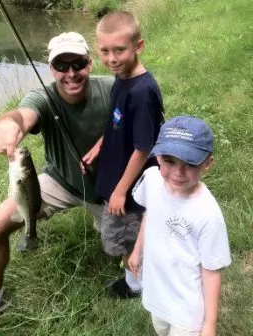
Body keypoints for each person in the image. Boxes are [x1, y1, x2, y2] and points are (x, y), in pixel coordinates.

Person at [0, 32, 114, 336]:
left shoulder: (113, 89)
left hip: (109, 190)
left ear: (90, 62)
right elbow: (21, 115)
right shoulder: (43, 97)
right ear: (51, 69)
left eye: (78, 63)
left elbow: (143, 124)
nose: (71, 73)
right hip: (57, 183)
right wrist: (6, 127)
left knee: (130, 254)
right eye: (62, 65)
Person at [83, 11, 164, 298]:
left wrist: (120, 190)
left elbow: (143, 147)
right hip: (117, 173)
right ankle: (134, 271)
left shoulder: (142, 92)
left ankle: (137, 282)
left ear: (138, 46)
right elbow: (117, 122)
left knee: (129, 235)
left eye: (120, 50)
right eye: (104, 51)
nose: (112, 58)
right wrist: (100, 146)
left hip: (131, 187)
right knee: (120, 232)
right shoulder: (121, 78)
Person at [129, 116, 231, 336]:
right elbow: (150, 213)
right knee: (161, 329)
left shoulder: (207, 214)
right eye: (169, 160)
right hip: (157, 292)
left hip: (187, 308)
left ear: (207, 163)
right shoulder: (152, 180)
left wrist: (210, 325)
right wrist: (137, 250)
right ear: (157, 156)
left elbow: (212, 271)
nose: (177, 172)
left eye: (190, 163)